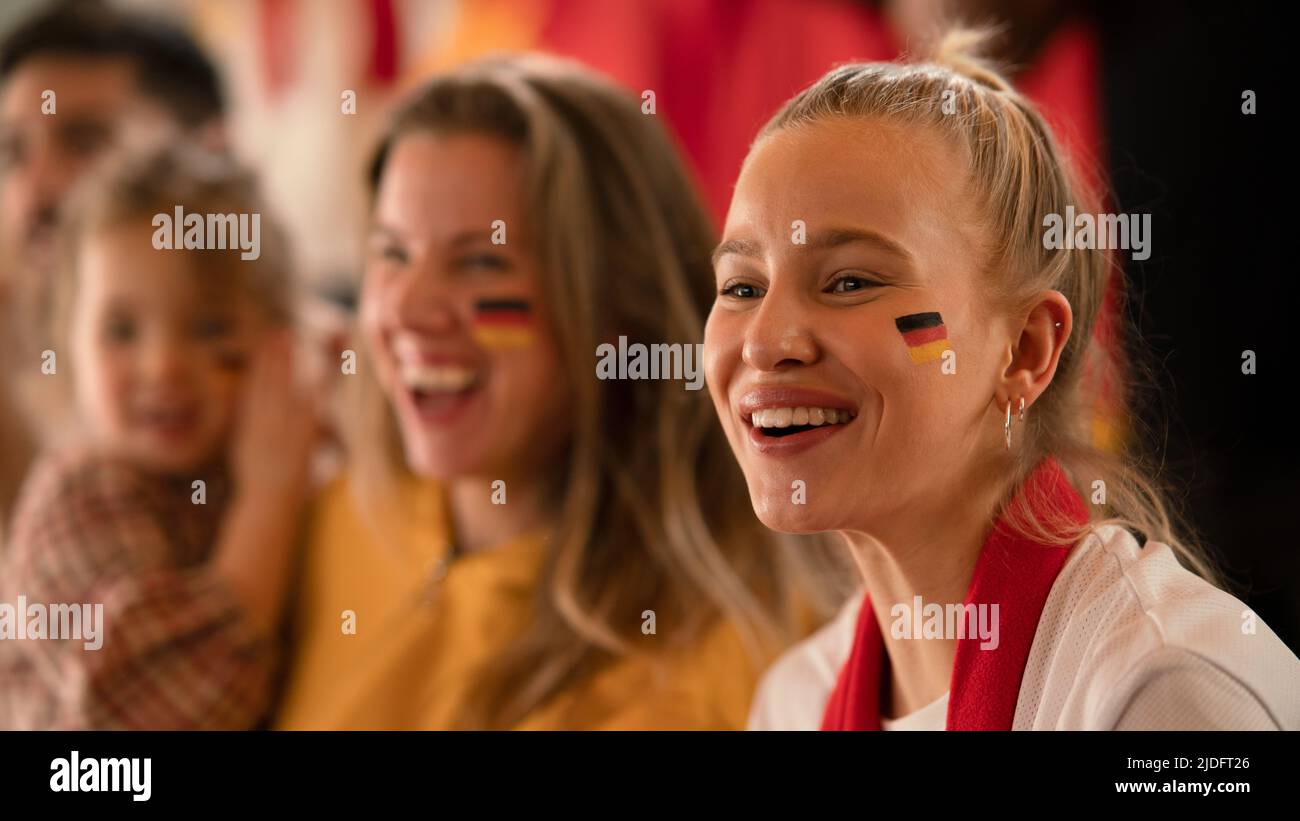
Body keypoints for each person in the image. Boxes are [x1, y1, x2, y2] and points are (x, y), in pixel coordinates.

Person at [703, 29, 1300, 730]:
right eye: (741, 286)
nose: (767, 341)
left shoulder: (1165, 694)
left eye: (851, 281)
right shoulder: (793, 702)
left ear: (1024, 349)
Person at [274, 53, 846, 730]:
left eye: (481, 263)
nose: (408, 309)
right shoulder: (334, 508)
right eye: (392, 253)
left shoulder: (726, 673)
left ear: (619, 312)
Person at [0, 145, 315, 729]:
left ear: (278, 346)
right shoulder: (80, 498)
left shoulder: (251, 471)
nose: (164, 365)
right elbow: (157, 711)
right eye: (121, 330)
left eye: (210, 327)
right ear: (70, 343)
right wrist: (268, 501)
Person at [0, 0, 227, 533]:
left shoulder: (290, 369)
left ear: (210, 159)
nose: (36, 189)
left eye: (85, 142)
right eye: (12, 152)